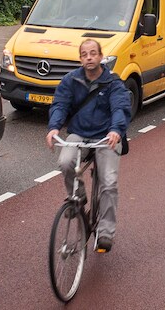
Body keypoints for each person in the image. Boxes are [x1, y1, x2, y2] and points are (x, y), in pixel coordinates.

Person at [45, 38, 132, 253]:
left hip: (106, 136)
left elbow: (120, 107)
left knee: (109, 183)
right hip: (80, 133)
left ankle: (105, 232)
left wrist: (115, 130)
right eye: (85, 54)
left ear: (101, 57)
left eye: (93, 53)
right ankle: (78, 197)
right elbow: (60, 104)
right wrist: (54, 127)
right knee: (65, 162)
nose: (89, 57)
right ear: (80, 58)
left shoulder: (113, 82)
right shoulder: (71, 80)